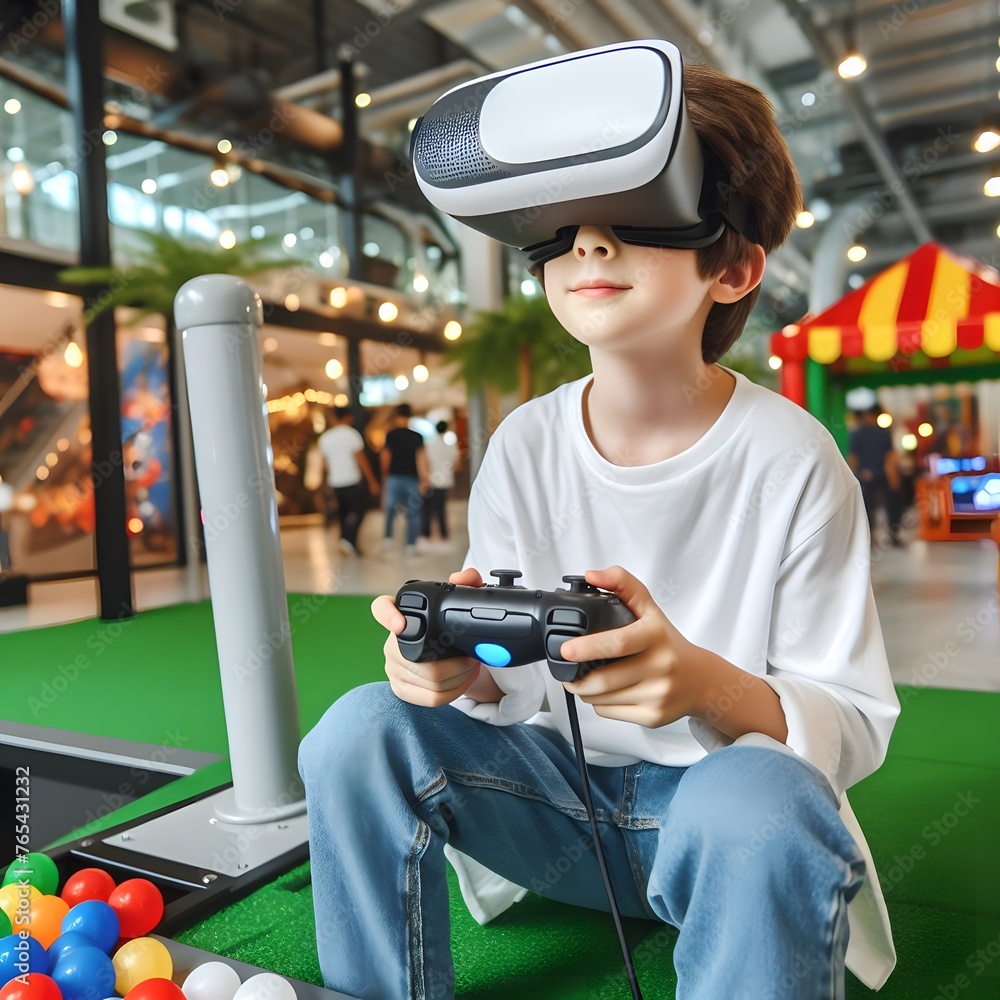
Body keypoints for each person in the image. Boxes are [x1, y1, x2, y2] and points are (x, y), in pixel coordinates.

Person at [299, 53, 899, 1000]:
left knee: (760, 797)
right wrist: (455, 670)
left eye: (638, 218)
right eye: (563, 227)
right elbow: (512, 685)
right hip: (552, 808)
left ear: (735, 265)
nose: (589, 247)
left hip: (725, 826)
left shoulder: (793, 457)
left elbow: (853, 724)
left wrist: (700, 681)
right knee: (361, 730)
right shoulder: (525, 444)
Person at [316, 406, 379, 556]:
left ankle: (346, 542)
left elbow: (324, 464)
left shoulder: (325, 438)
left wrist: (323, 482)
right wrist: (372, 481)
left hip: (335, 482)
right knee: (359, 511)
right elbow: (361, 460)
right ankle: (348, 540)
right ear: (348, 418)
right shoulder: (352, 434)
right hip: (351, 481)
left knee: (343, 514)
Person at [848, 405, 904, 547]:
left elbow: (853, 457)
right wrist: (893, 478)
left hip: (864, 474)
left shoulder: (856, 433)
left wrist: (854, 475)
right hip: (882, 473)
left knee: (867, 506)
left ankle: (868, 537)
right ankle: (894, 534)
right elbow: (889, 457)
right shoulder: (884, 433)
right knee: (892, 505)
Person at [380, 403, 430, 557]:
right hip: (412, 479)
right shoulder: (417, 437)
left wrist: (384, 478)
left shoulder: (391, 435)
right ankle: (410, 544)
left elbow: (385, 458)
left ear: (396, 417)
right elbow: (421, 459)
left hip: (394, 477)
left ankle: (388, 538)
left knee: (390, 509)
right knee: (413, 512)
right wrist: (424, 480)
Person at [419, 419, 459, 549]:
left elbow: (425, 462)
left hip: (431, 480)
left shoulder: (429, 444)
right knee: (441, 509)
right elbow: (456, 463)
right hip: (445, 481)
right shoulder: (450, 445)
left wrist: (424, 480)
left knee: (427, 509)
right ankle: (443, 534)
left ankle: (426, 534)